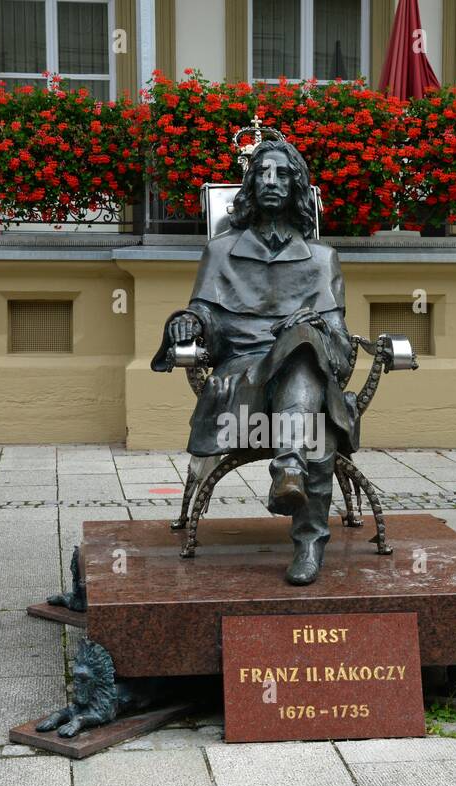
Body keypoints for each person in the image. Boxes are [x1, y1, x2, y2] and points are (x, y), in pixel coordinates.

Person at [151, 138, 357, 585]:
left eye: (282, 174)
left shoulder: (322, 260)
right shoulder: (221, 251)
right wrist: (186, 322)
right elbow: (205, 313)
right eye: (262, 172)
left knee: (305, 346)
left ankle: (290, 473)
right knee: (317, 414)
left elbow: (341, 349)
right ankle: (303, 519)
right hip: (242, 375)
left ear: (297, 187)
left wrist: (318, 330)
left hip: (305, 369)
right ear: (250, 184)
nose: (271, 181)